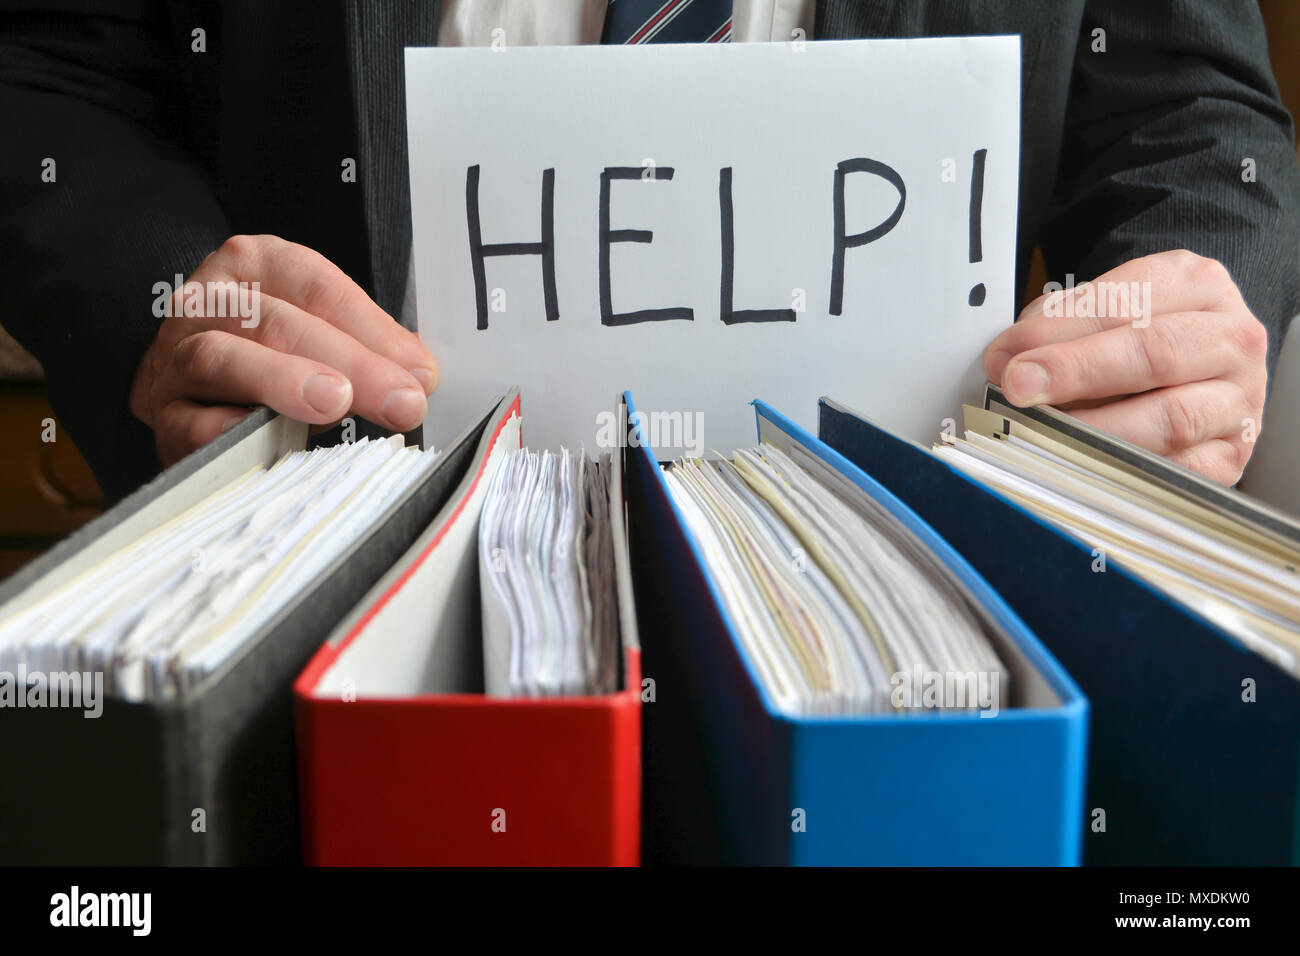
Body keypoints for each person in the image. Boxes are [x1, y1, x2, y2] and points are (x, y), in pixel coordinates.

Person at [1, 0, 1296, 502]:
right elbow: (56, 71)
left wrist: (1188, 305)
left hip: (916, 557)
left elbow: (1193, 109)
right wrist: (172, 294)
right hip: (332, 509)